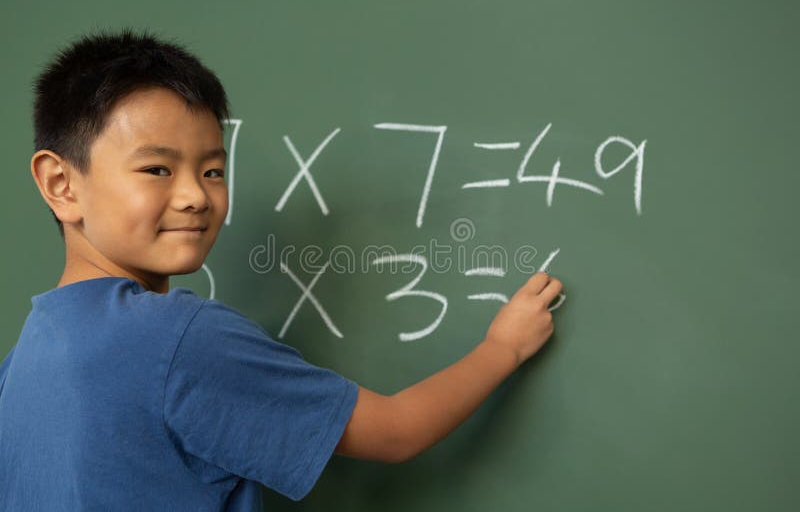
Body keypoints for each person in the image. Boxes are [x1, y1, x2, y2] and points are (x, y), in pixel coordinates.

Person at [0, 28, 563, 511]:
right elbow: (395, 431)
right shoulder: (178, 338)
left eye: (214, 171)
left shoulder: (22, 361)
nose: (196, 196)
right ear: (61, 184)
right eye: (156, 169)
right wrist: (503, 347)